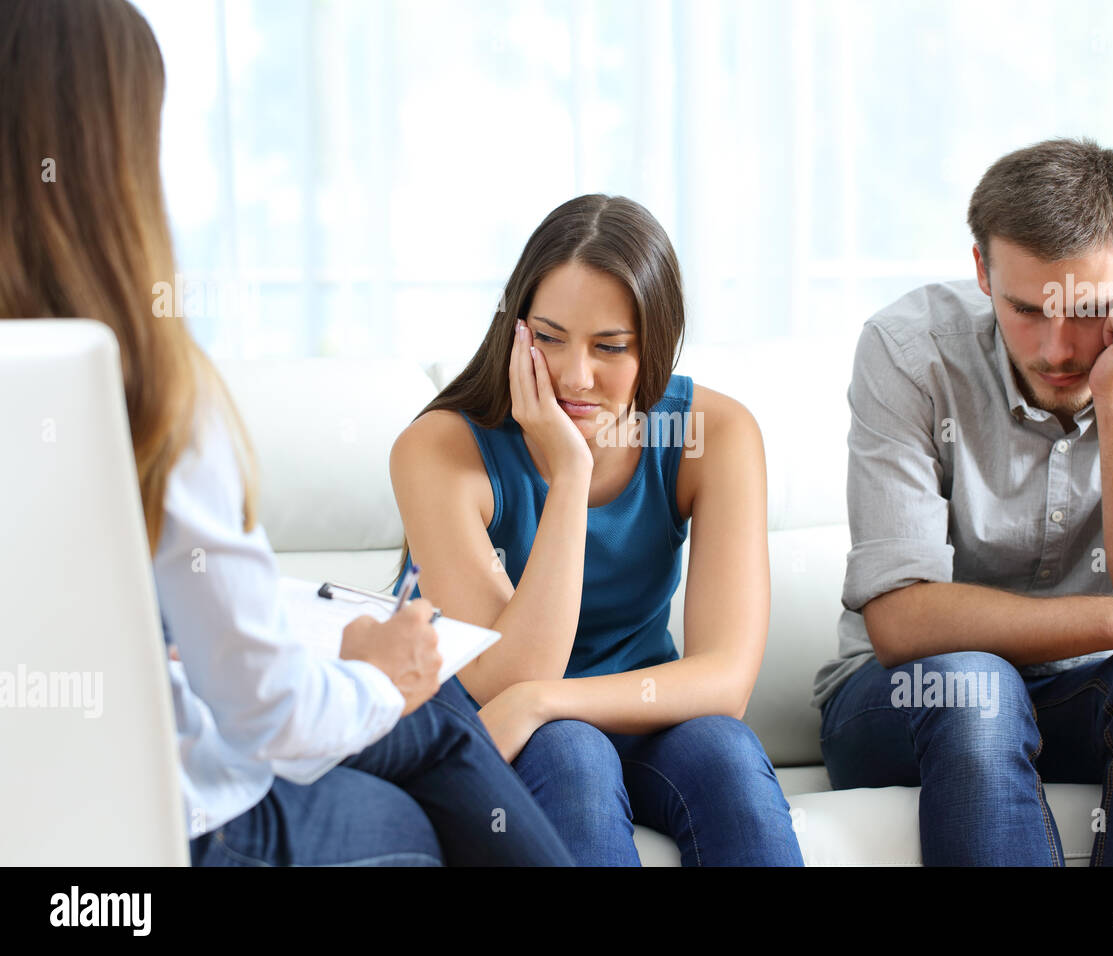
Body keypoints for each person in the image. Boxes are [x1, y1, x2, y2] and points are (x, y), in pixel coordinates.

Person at [0, 0, 572, 867]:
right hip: (172, 830)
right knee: (429, 783)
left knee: (440, 726)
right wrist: (387, 677)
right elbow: (265, 714)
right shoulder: (147, 387)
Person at [814, 138, 1113, 866]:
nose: (1057, 349)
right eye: (1025, 308)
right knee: (976, 687)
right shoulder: (908, 351)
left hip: (1092, 698)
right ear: (981, 270)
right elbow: (901, 622)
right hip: (911, 701)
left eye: (1090, 310)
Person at [390, 194, 804, 866]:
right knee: (573, 750)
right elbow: (510, 676)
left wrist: (541, 701)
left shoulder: (713, 434)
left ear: (658, 344)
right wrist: (571, 474)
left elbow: (725, 680)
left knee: (726, 752)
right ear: (515, 329)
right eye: (548, 339)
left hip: (636, 711)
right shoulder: (437, 451)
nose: (574, 377)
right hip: (509, 731)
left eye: (610, 346)